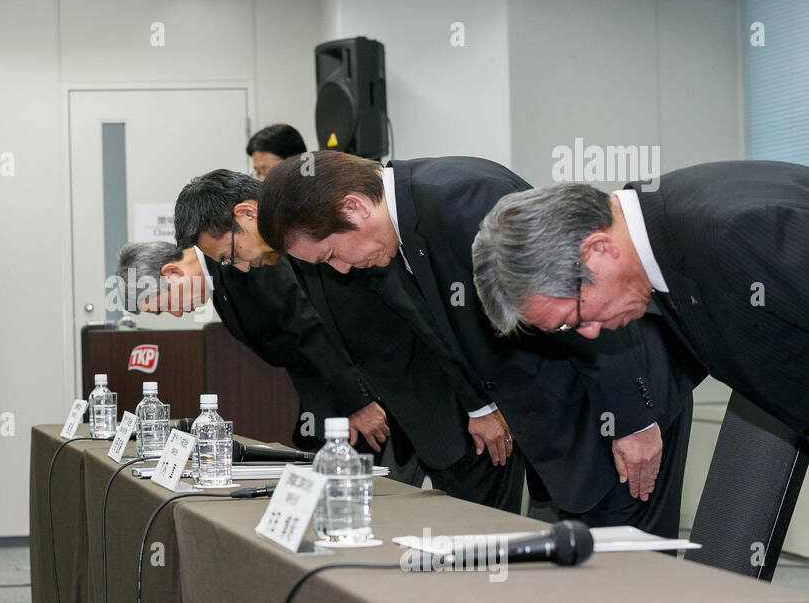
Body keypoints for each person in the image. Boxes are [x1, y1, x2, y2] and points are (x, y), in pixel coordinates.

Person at [259, 151, 704, 535]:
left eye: (332, 255)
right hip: (571, 430)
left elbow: (584, 292)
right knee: (595, 584)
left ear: (353, 207)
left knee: (632, 578)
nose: (340, 270)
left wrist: (633, 420)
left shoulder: (462, 197)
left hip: (614, 413)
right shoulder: (408, 225)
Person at [174, 169, 524, 511]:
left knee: (484, 536)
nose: (240, 267)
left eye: (231, 254)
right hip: (412, 412)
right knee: (451, 533)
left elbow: (424, 319)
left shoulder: (323, 223)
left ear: (247, 213)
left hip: (456, 406)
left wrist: (479, 404)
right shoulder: (292, 250)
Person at [470, 161, 809, 444]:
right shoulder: (662, 241)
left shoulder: (733, 234)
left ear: (598, 250)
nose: (587, 334)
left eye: (572, 319)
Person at [114, 239, 394, 457]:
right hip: (331, 402)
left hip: (369, 385)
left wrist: (357, 402)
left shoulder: (238, 260)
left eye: (165, 306)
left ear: (172, 272)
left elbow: (306, 325)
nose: (176, 315)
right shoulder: (217, 277)